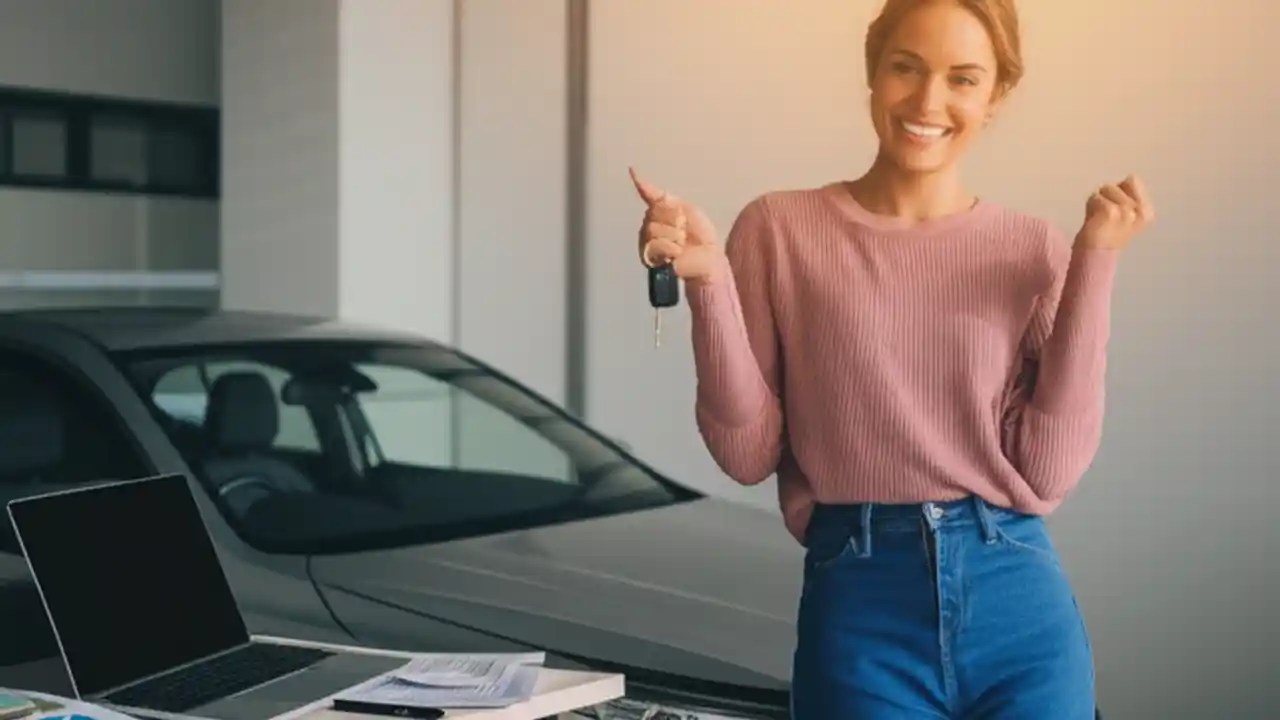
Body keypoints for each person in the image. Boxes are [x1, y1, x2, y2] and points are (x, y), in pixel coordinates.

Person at [629, 0, 1154, 717]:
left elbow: (1050, 468)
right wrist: (709, 282)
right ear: (873, 72)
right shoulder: (780, 230)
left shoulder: (1034, 250)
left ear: (995, 96)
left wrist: (1094, 260)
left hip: (1019, 602)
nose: (928, 101)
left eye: (963, 79)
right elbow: (748, 453)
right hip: (860, 605)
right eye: (906, 67)